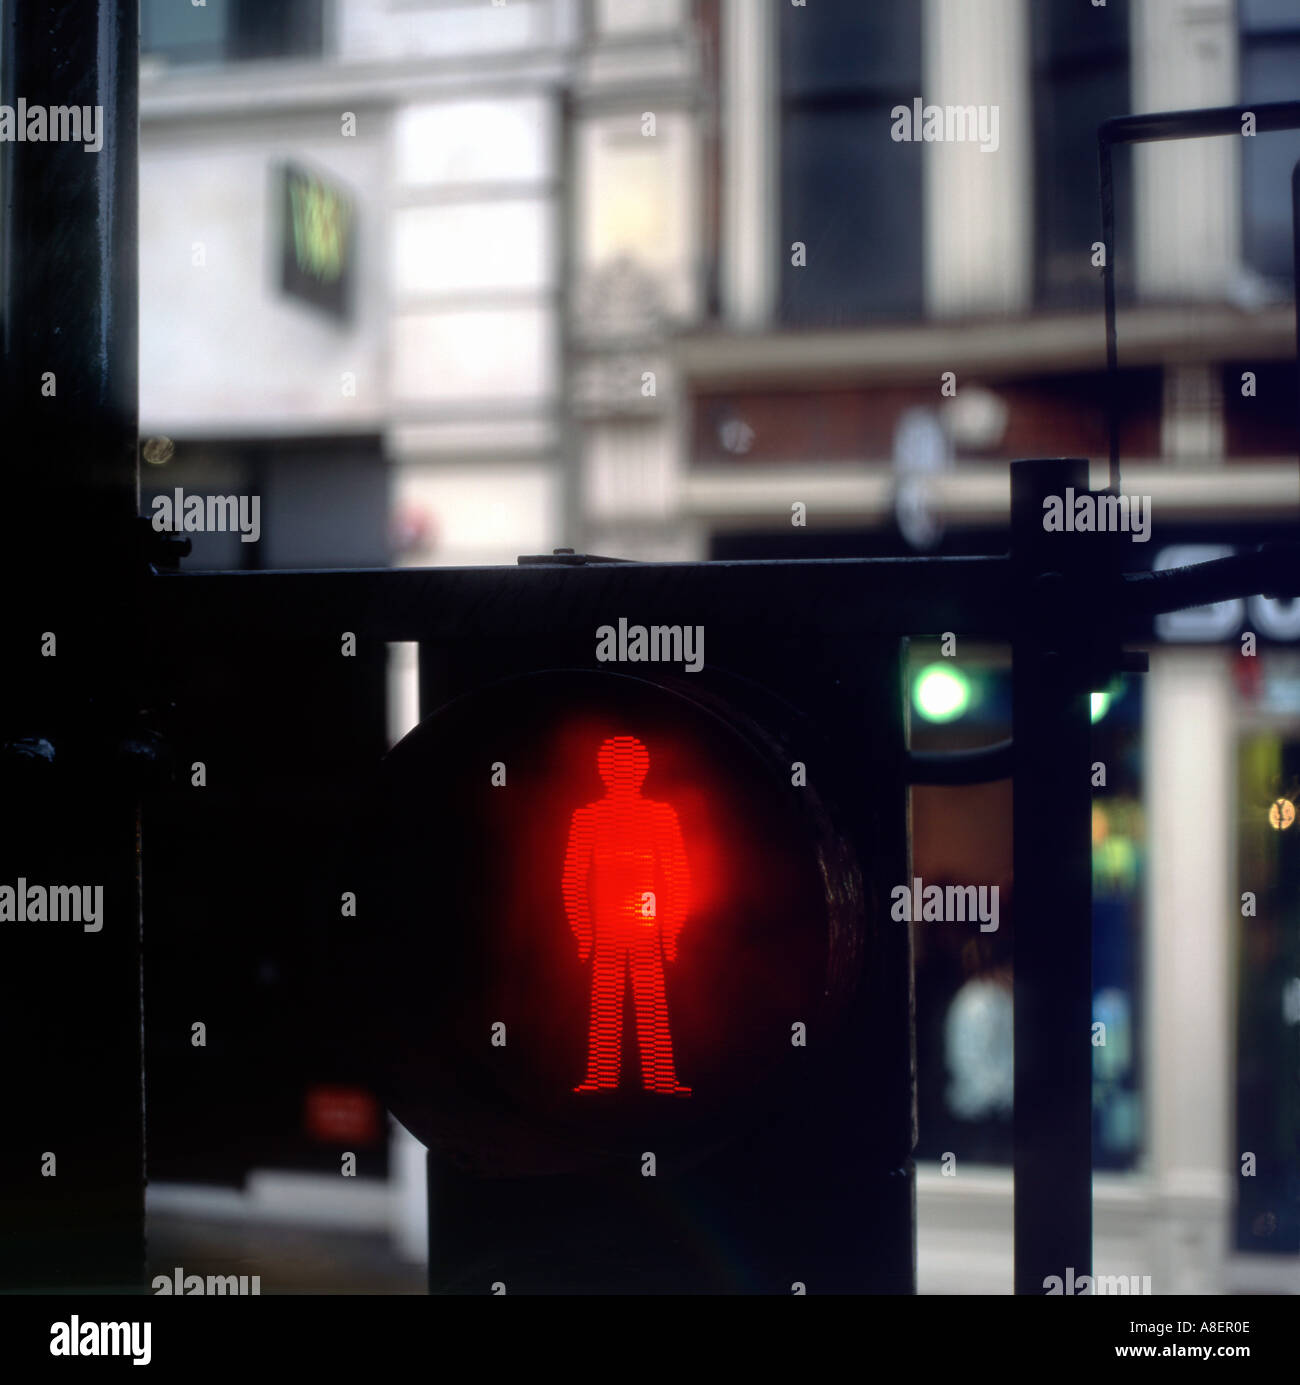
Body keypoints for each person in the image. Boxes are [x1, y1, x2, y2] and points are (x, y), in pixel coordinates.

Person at [561, 735, 691, 1094]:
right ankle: (604, 1077)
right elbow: (573, 878)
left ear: (643, 770)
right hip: (608, 925)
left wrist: (670, 932)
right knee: (607, 1003)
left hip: (643, 924)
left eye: (630, 766)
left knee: (648, 1001)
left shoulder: (661, 815)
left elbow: (676, 874)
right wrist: (584, 933)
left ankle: (659, 1077)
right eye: (615, 766)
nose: (623, 774)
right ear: (603, 771)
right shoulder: (587, 817)